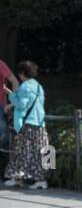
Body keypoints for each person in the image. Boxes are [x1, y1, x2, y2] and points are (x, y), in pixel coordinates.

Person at [3, 61, 49, 189]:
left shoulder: (25, 86)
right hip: (40, 123)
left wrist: (10, 96)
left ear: (22, 73)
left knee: (20, 151)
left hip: (27, 124)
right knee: (39, 153)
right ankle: (41, 180)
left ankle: (16, 178)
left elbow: (22, 105)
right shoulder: (39, 86)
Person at [0, 56, 16, 150]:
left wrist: (13, 103)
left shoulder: (1, 64)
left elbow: (14, 82)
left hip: (0, 106)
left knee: (4, 136)